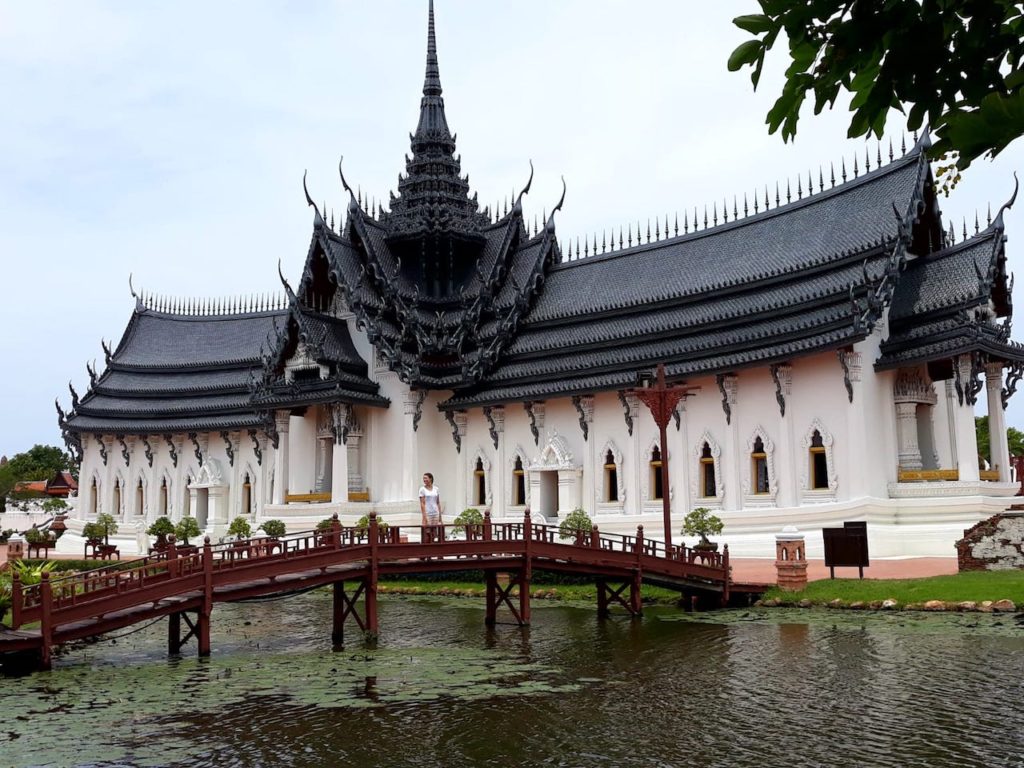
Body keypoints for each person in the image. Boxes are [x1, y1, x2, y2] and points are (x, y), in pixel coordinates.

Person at [419, 472, 442, 542]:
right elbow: (422, 503)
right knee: (427, 531)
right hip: (428, 513)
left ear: (430, 479)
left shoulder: (436, 489)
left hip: (435, 512)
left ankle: (434, 545)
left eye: (426, 478)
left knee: (435, 530)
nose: (424, 480)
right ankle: (427, 545)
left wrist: (440, 516)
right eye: (423, 478)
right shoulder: (422, 489)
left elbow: (438, 502)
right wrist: (424, 516)